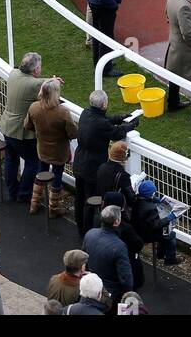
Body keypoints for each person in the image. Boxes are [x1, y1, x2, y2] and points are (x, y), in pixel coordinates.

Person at [73, 89, 134, 232]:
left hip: (79, 162)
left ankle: (80, 225)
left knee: (79, 196)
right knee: (90, 199)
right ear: (104, 104)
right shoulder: (101, 123)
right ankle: (86, 230)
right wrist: (129, 126)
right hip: (92, 167)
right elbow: (116, 133)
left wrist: (119, 118)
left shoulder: (85, 113)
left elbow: (102, 121)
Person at [26, 76, 75, 218]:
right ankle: (53, 208)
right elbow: (72, 133)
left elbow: (27, 125)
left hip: (42, 149)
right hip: (59, 152)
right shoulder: (63, 112)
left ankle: (34, 203)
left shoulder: (34, 107)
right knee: (57, 176)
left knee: (41, 172)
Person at [2, 52, 44, 203]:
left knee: (11, 160)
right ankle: (24, 194)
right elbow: (46, 85)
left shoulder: (14, 74)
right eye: (39, 67)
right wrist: (54, 80)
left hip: (7, 127)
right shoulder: (34, 83)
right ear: (35, 70)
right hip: (22, 132)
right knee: (33, 162)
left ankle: (13, 191)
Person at [82, 205, 133, 308]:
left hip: (90, 285)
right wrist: (128, 294)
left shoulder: (90, 234)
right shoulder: (119, 246)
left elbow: (83, 258)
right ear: (116, 222)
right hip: (110, 292)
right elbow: (126, 278)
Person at [132, 180, 181, 266]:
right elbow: (157, 225)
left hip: (137, 229)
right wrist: (169, 218)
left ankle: (160, 254)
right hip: (146, 234)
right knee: (171, 234)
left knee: (164, 234)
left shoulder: (136, 201)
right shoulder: (150, 208)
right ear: (150, 194)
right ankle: (170, 259)